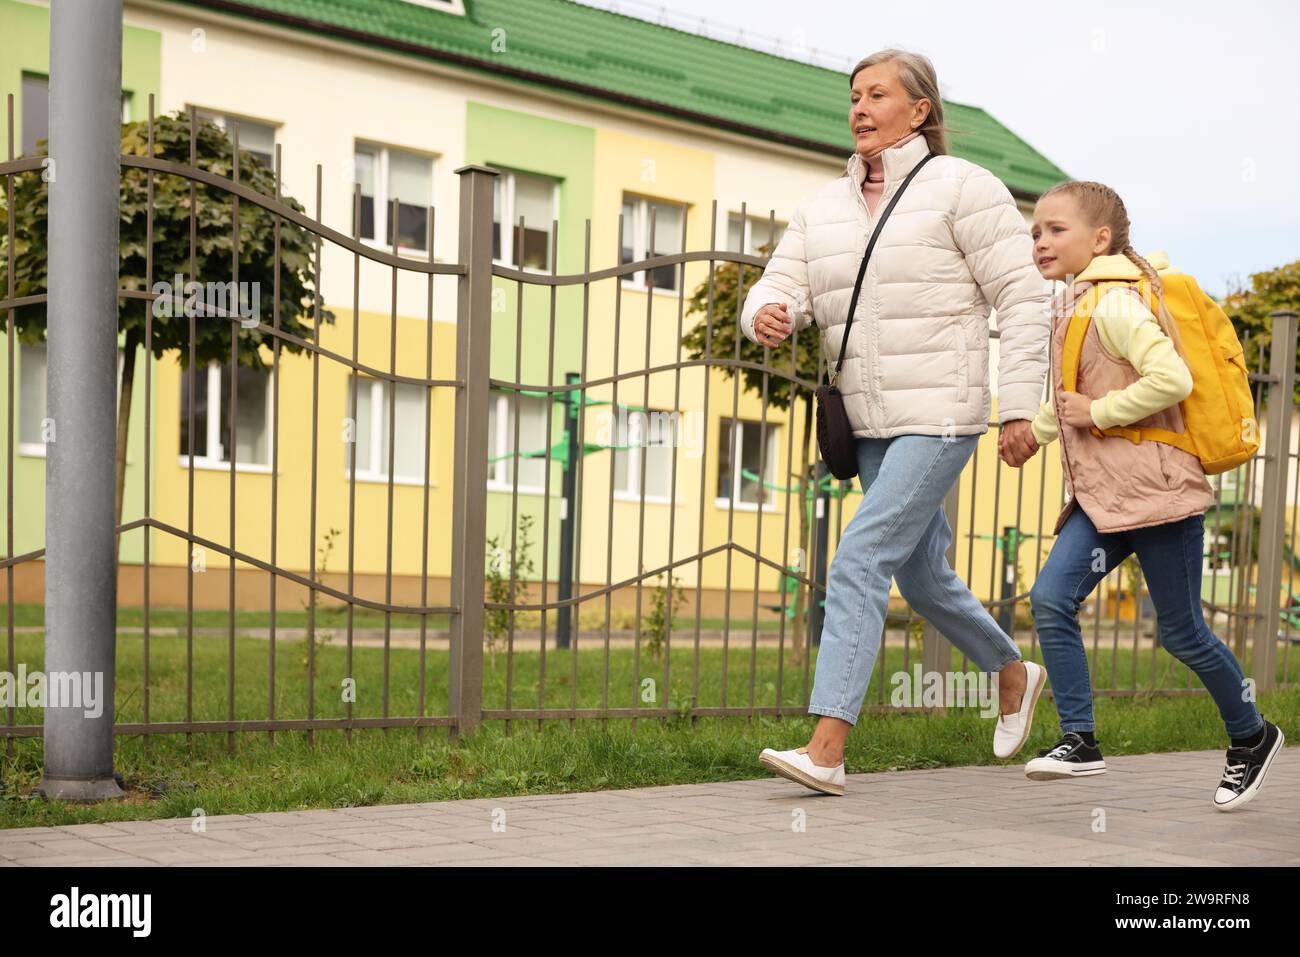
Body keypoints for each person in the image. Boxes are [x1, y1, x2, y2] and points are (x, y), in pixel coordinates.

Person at [744, 48, 1051, 796]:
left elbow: (1022, 297)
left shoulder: (962, 189)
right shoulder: (823, 208)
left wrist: (1016, 407)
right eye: (853, 96)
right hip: (870, 417)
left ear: (919, 111)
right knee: (921, 575)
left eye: (877, 94)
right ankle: (1013, 670)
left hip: (941, 413)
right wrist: (768, 313)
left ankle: (827, 746)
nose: (859, 108)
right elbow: (778, 281)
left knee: (858, 556)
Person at [1003, 179, 1284, 811]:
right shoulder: (1075, 302)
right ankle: (1080, 738)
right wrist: (1036, 433)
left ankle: (1253, 735)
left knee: (1182, 635)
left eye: (1056, 230)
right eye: (1035, 233)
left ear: (1100, 239)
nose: (1041, 241)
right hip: (1105, 502)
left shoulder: (1116, 303)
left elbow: (1171, 379)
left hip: (1158, 496)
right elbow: (1072, 397)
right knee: (1051, 598)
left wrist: (1095, 412)